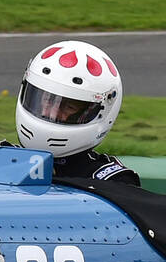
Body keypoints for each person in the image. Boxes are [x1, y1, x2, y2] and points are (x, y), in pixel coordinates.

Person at [15, 39, 140, 188]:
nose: (51, 112)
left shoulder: (111, 180)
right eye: (47, 100)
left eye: (68, 107)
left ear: (101, 113)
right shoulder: (3, 158)